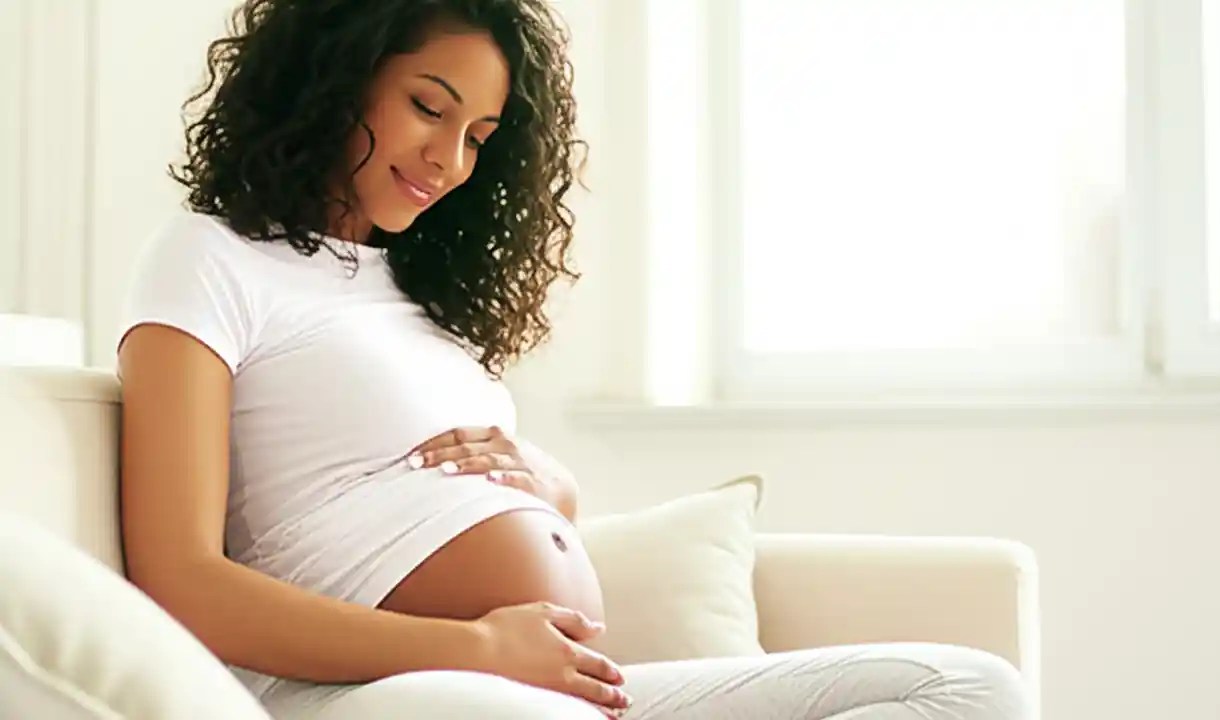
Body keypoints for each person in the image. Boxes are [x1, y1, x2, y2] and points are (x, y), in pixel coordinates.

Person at [114, 1, 1032, 717]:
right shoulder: (211, 259)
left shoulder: (414, 292)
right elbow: (179, 580)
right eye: (428, 107)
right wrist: (476, 648)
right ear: (333, 76)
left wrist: (550, 491)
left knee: (965, 689)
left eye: (479, 137)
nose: (450, 161)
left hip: (545, 685)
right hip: (370, 691)